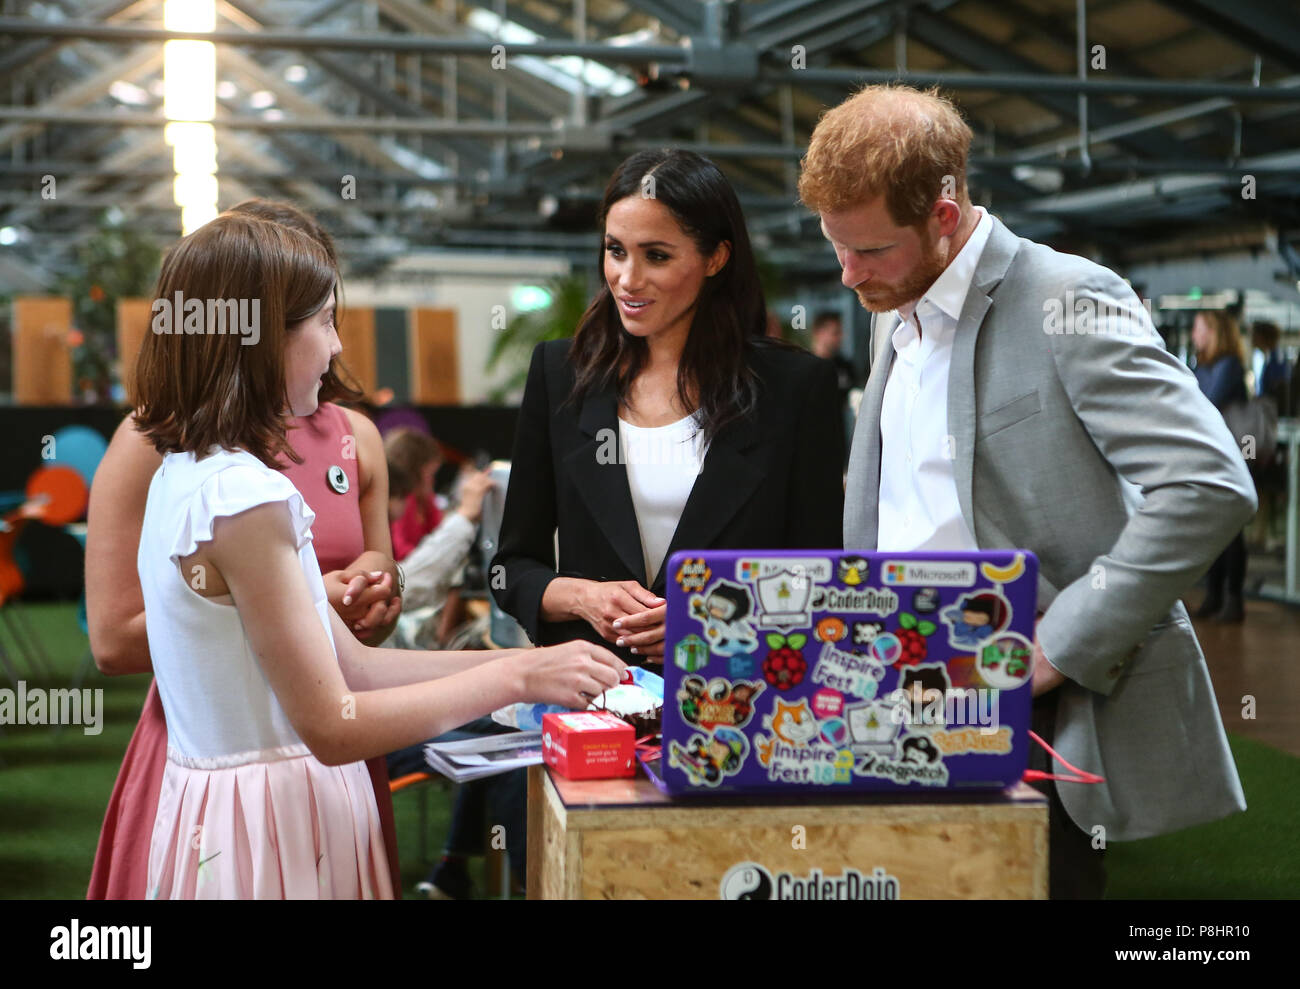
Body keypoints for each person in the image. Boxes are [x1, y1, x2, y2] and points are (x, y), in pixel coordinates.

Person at [800, 84, 1254, 898]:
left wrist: (1062, 643)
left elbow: (1207, 482)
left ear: (944, 213)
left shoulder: (1069, 298)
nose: (848, 272)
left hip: (1029, 707)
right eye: (838, 247)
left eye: (869, 250)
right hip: (899, 694)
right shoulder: (891, 303)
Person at [116, 212, 624, 899]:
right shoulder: (243, 497)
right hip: (271, 824)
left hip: (238, 813)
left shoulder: (192, 470)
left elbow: (353, 664)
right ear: (263, 339)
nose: (335, 347)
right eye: (324, 322)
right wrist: (519, 679)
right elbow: (331, 723)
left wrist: (525, 663)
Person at [86, 199, 405, 899]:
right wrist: (294, 610)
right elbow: (112, 639)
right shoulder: (163, 445)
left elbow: (377, 568)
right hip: (221, 741)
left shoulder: (354, 435)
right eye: (317, 315)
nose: (335, 338)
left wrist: (375, 593)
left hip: (337, 730)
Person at [492, 149, 844, 666]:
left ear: (715, 258)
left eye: (656, 255)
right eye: (616, 251)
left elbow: (820, 577)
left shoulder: (793, 388)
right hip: (597, 705)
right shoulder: (561, 374)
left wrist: (707, 618)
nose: (628, 279)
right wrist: (584, 598)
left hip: (739, 699)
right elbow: (513, 567)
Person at [1190, 310, 1251, 623]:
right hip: (1211, 455)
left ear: (1214, 331)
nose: (1193, 334)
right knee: (1214, 529)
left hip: (1232, 456)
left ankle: (1232, 599)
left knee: (1230, 531)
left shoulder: (1228, 365)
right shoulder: (1204, 364)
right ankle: (1215, 596)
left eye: (1199, 328)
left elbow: (1203, 402)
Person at [385, 427, 444, 562]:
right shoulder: (402, 502)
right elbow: (401, 551)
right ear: (413, 473)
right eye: (431, 474)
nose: (433, 481)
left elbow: (438, 531)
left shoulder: (424, 499)